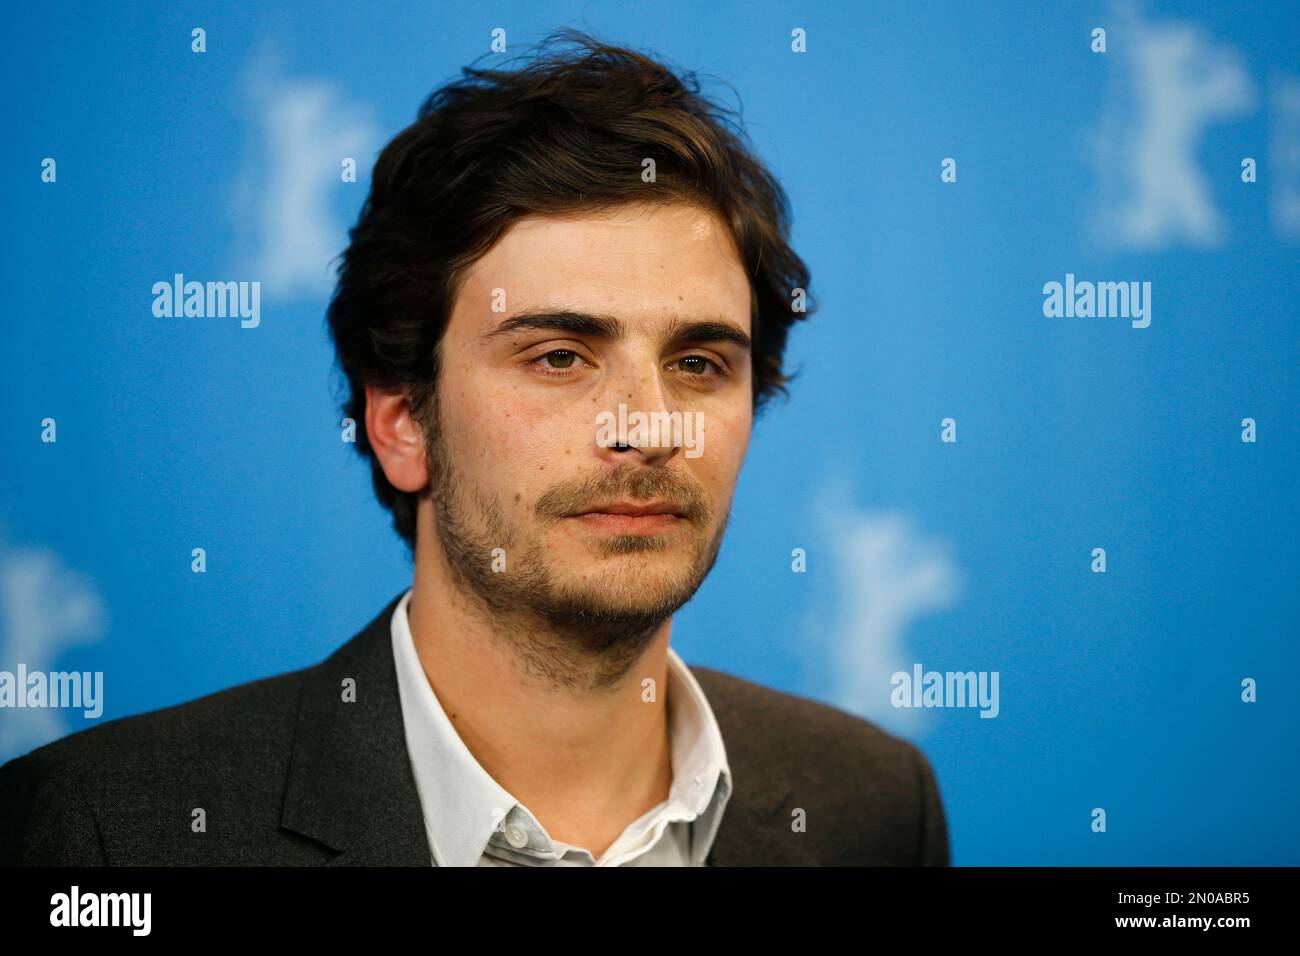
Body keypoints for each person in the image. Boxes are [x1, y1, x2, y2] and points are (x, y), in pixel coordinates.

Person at [0, 29, 949, 867]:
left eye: (698, 362)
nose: (647, 425)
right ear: (402, 421)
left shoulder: (868, 806)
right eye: (561, 356)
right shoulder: (114, 831)